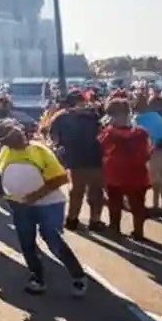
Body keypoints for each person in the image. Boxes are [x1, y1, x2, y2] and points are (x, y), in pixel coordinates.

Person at [0, 121, 88, 296]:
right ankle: (37, 278)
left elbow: (61, 178)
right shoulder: (4, 153)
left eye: (13, 136)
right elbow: (6, 176)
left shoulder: (40, 151)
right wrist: (5, 193)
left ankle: (78, 277)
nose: (9, 142)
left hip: (49, 205)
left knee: (52, 240)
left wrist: (35, 196)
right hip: (21, 206)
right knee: (26, 243)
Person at [48, 91, 106, 231]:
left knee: (76, 191)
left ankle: (72, 219)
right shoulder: (94, 115)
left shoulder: (60, 117)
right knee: (96, 191)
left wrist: (60, 149)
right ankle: (95, 221)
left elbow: (53, 137)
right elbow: (102, 133)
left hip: (74, 158)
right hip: (95, 157)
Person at [99, 97, 152, 239]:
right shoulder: (141, 133)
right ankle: (138, 232)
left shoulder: (109, 134)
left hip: (115, 174)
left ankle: (115, 229)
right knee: (138, 205)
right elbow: (147, 154)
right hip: (138, 174)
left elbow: (102, 151)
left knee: (115, 203)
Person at [136, 96, 162, 217]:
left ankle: (156, 205)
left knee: (155, 181)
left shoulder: (139, 118)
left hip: (154, 150)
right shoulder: (156, 116)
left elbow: (143, 136)